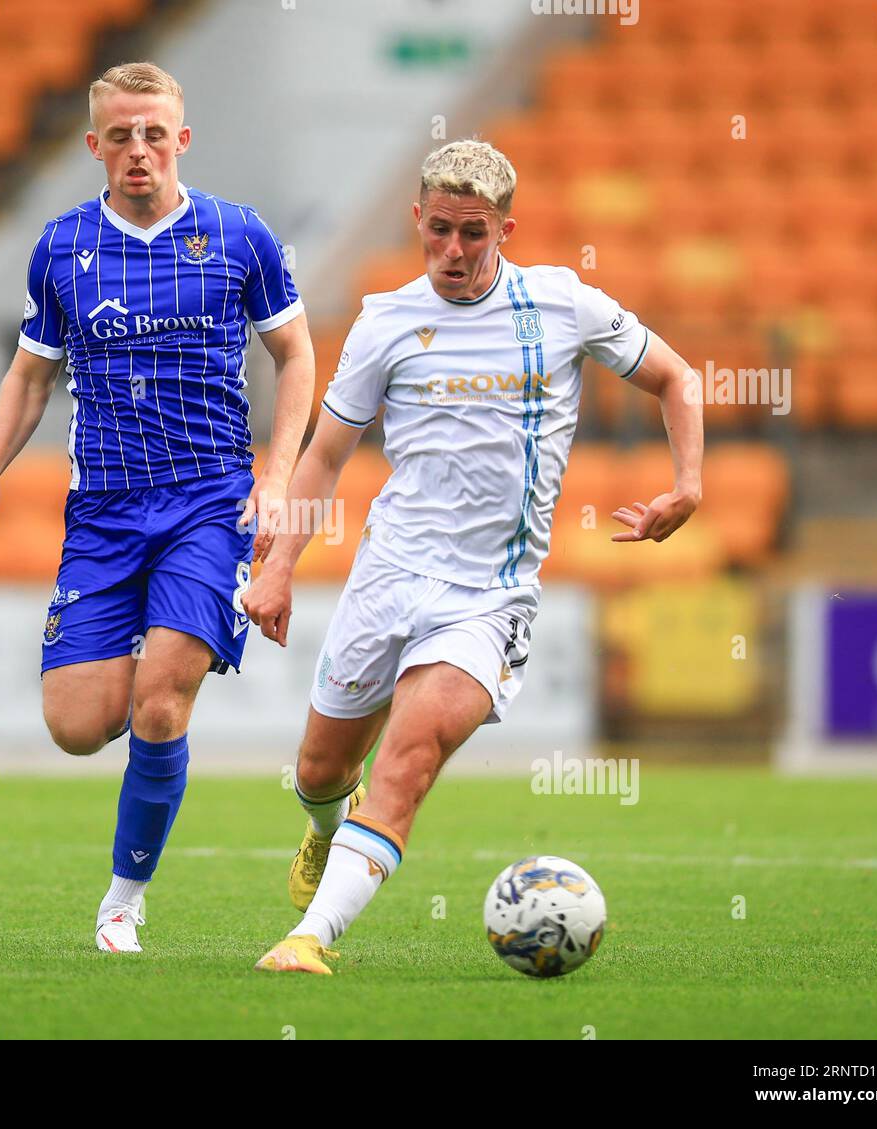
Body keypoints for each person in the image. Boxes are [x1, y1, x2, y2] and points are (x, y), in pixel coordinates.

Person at [243, 139, 703, 973]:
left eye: (474, 236)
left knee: (407, 764)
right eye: (441, 231)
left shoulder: (561, 306)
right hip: (387, 577)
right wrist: (277, 566)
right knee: (319, 769)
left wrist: (690, 484)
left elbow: (677, 377)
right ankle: (321, 829)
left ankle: (309, 937)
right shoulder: (384, 320)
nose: (454, 252)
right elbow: (324, 457)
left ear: (506, 230)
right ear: (418, 219)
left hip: (487, 598)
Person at [0, 62, 314, 954]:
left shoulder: (240, 238)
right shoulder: (62, 247)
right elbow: (31, 373)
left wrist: (277, 478)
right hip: (105, 512)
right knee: (78, 725)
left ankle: (123, 898)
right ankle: (142, 697)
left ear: (181, 139)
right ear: (96, 146)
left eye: (155, 133)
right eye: (121, 135)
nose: (139, 150)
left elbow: (297, 357)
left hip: (209, 501)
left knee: (160, 705)